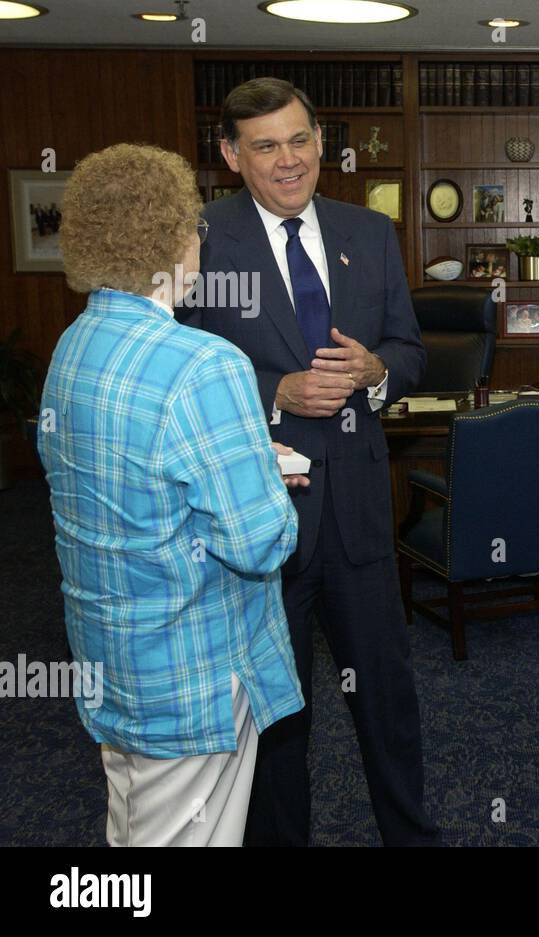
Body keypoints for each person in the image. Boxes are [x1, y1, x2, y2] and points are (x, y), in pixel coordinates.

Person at [177, 77, 436, 846]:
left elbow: (411, 353)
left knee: (387, 702)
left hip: (359, 517)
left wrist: (375, 372)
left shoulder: (371, 230)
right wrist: (275, 390)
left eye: (299, 140)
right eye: (265, 146)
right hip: (259, 528)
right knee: (276, 719)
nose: (288, 161)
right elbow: (180, 371)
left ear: (321, 142)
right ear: (230, 154)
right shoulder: (200, 236)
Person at [37, 143, 307, 846]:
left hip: (113, 660)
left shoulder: (72, 348)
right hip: (191, 676)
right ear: (172, 239)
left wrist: (241, 463)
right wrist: (259, 472)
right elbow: (261, 540)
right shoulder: (203, 362)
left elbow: (131, 485)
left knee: (131, 834)